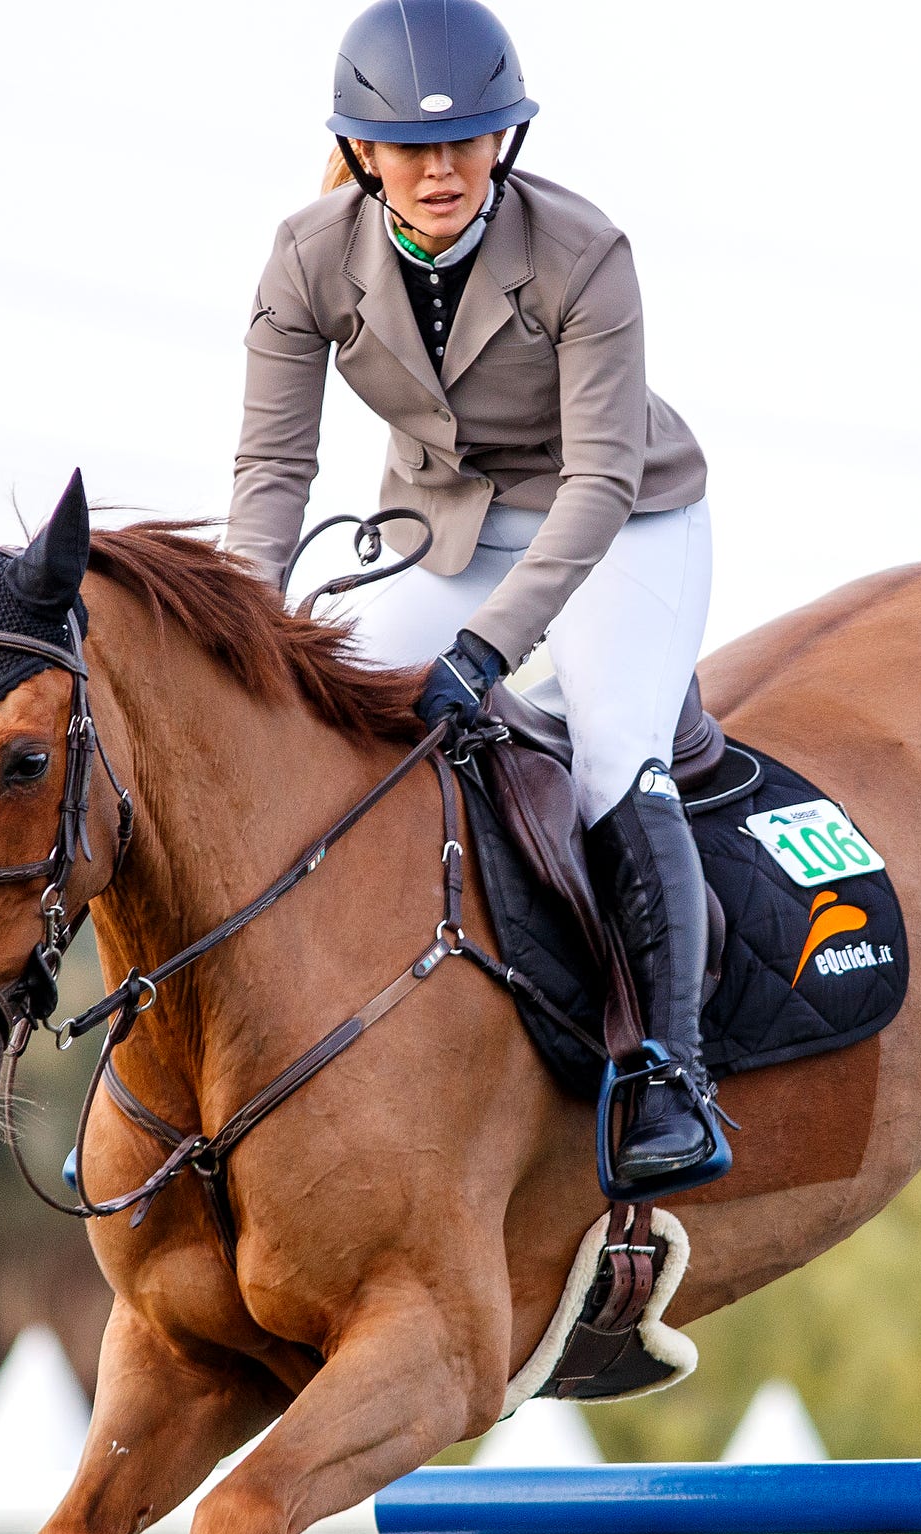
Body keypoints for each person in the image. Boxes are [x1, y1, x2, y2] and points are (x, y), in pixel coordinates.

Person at [226, 0, 728, 1195]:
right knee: (339, 727)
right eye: (410, 146)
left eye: (469, 140)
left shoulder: (584, 251)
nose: (442, 168)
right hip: (447, 529)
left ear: (506, 138)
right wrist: (237, 637)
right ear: (362, 152)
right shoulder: (305, 258)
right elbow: (272, 473)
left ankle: (670, 1072)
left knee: (614, 754)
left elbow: (602, 479)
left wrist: (490, 649)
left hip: (621, 525)